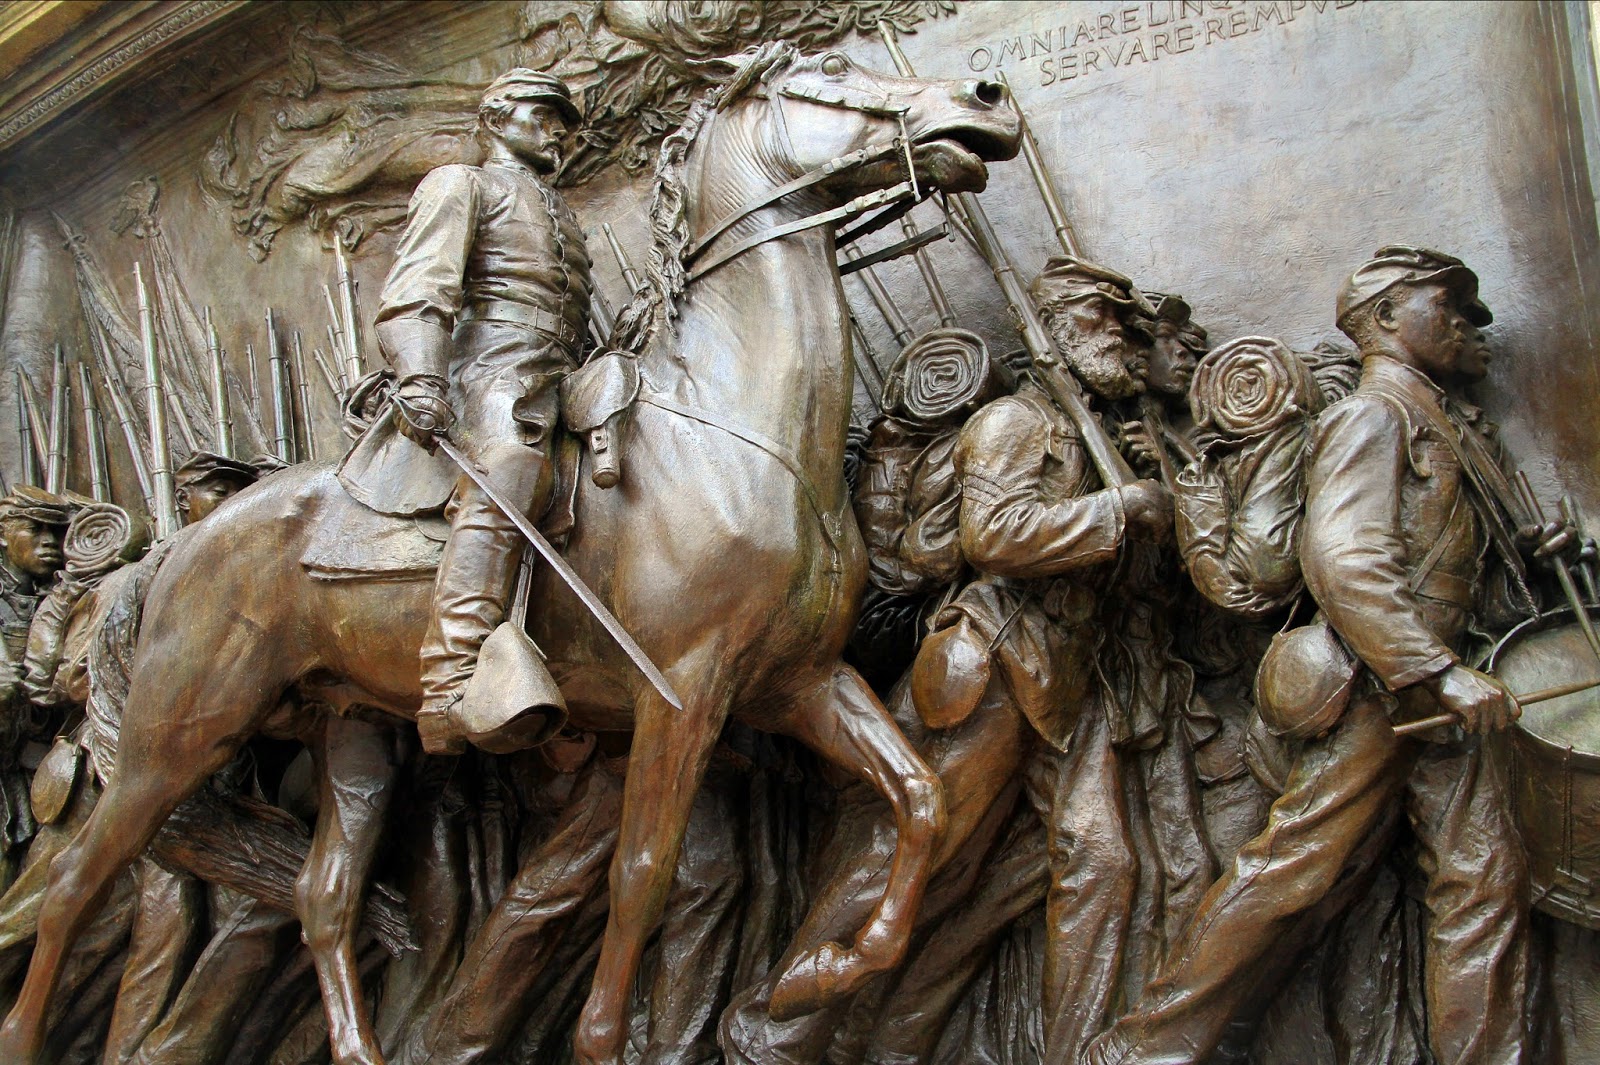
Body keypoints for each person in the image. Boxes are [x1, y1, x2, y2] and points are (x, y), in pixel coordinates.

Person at [1086, 246, 1565, 1065]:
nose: (1463, 321)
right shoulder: (1372, 415)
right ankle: (1139, 1050)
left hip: (1439, 694)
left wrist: (1522, 550)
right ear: (1381, 318)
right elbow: (1344, 560)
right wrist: (1433, 668)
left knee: (1481, 881)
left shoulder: (1434, 416)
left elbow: (1432, 549)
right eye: (1442, 302)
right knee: (1291, 873)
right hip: (1388, 689)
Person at [722, 256, 1173, 1065]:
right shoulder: (1017, 425)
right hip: (996, 662)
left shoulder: (1087, 431)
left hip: (1057, 684)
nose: (1122, 343)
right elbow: (992, 535)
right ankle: (772, 1035)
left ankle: (882, 1037)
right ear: (1063, 332)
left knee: (1015, 871)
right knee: (904, 856)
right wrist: (1115, 509)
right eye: (1107, 326)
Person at [363, 68, 591, 755]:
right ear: (495, 119)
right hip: (489, 370)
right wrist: (421, 375)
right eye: (541, 115)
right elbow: (417, 290)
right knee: (508, 466)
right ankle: (452, 677)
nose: (556, 130)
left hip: (559, 372)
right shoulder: (461, 184)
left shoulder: (561, 212)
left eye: (562, 121)